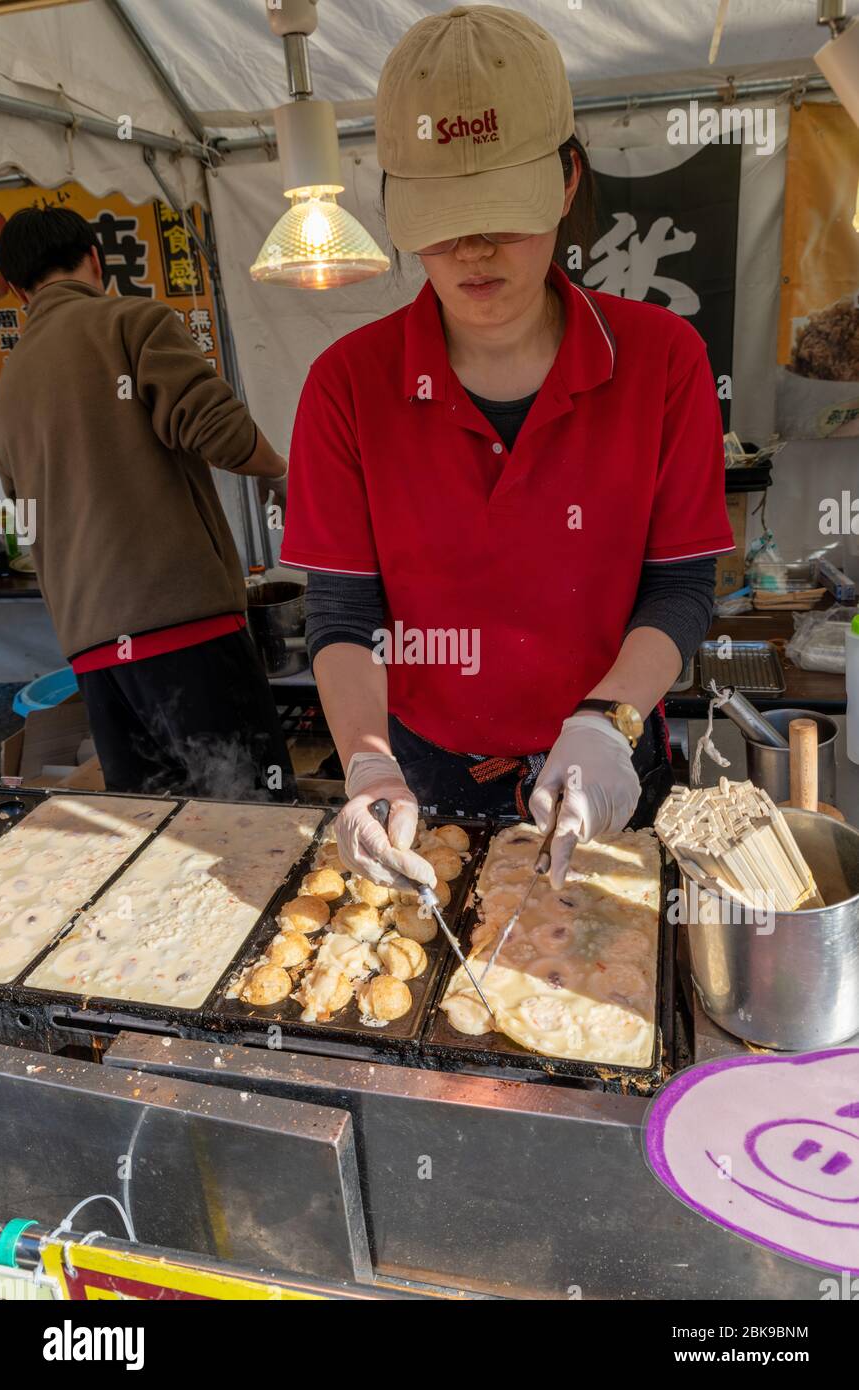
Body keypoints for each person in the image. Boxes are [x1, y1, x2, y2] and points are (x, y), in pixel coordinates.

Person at [281, 4, 734, 887]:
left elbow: (681, 586)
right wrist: (367, 763)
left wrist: (605, 722)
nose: (473, 248)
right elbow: (342, 614)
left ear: (567, 182)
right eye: (442, 218)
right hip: (424, 775)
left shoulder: (661, 359)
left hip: (611, 753)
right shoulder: (347, 384)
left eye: (501, 212)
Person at [0, 205, 296, 800]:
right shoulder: (131, 322)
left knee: (156, 825)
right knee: (257, 816)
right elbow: (222, 432)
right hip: (185, 629)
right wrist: (280, 472)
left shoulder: (11, 387)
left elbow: (21, 506)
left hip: (94, 654)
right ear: (95, 260)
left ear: (15, 288)